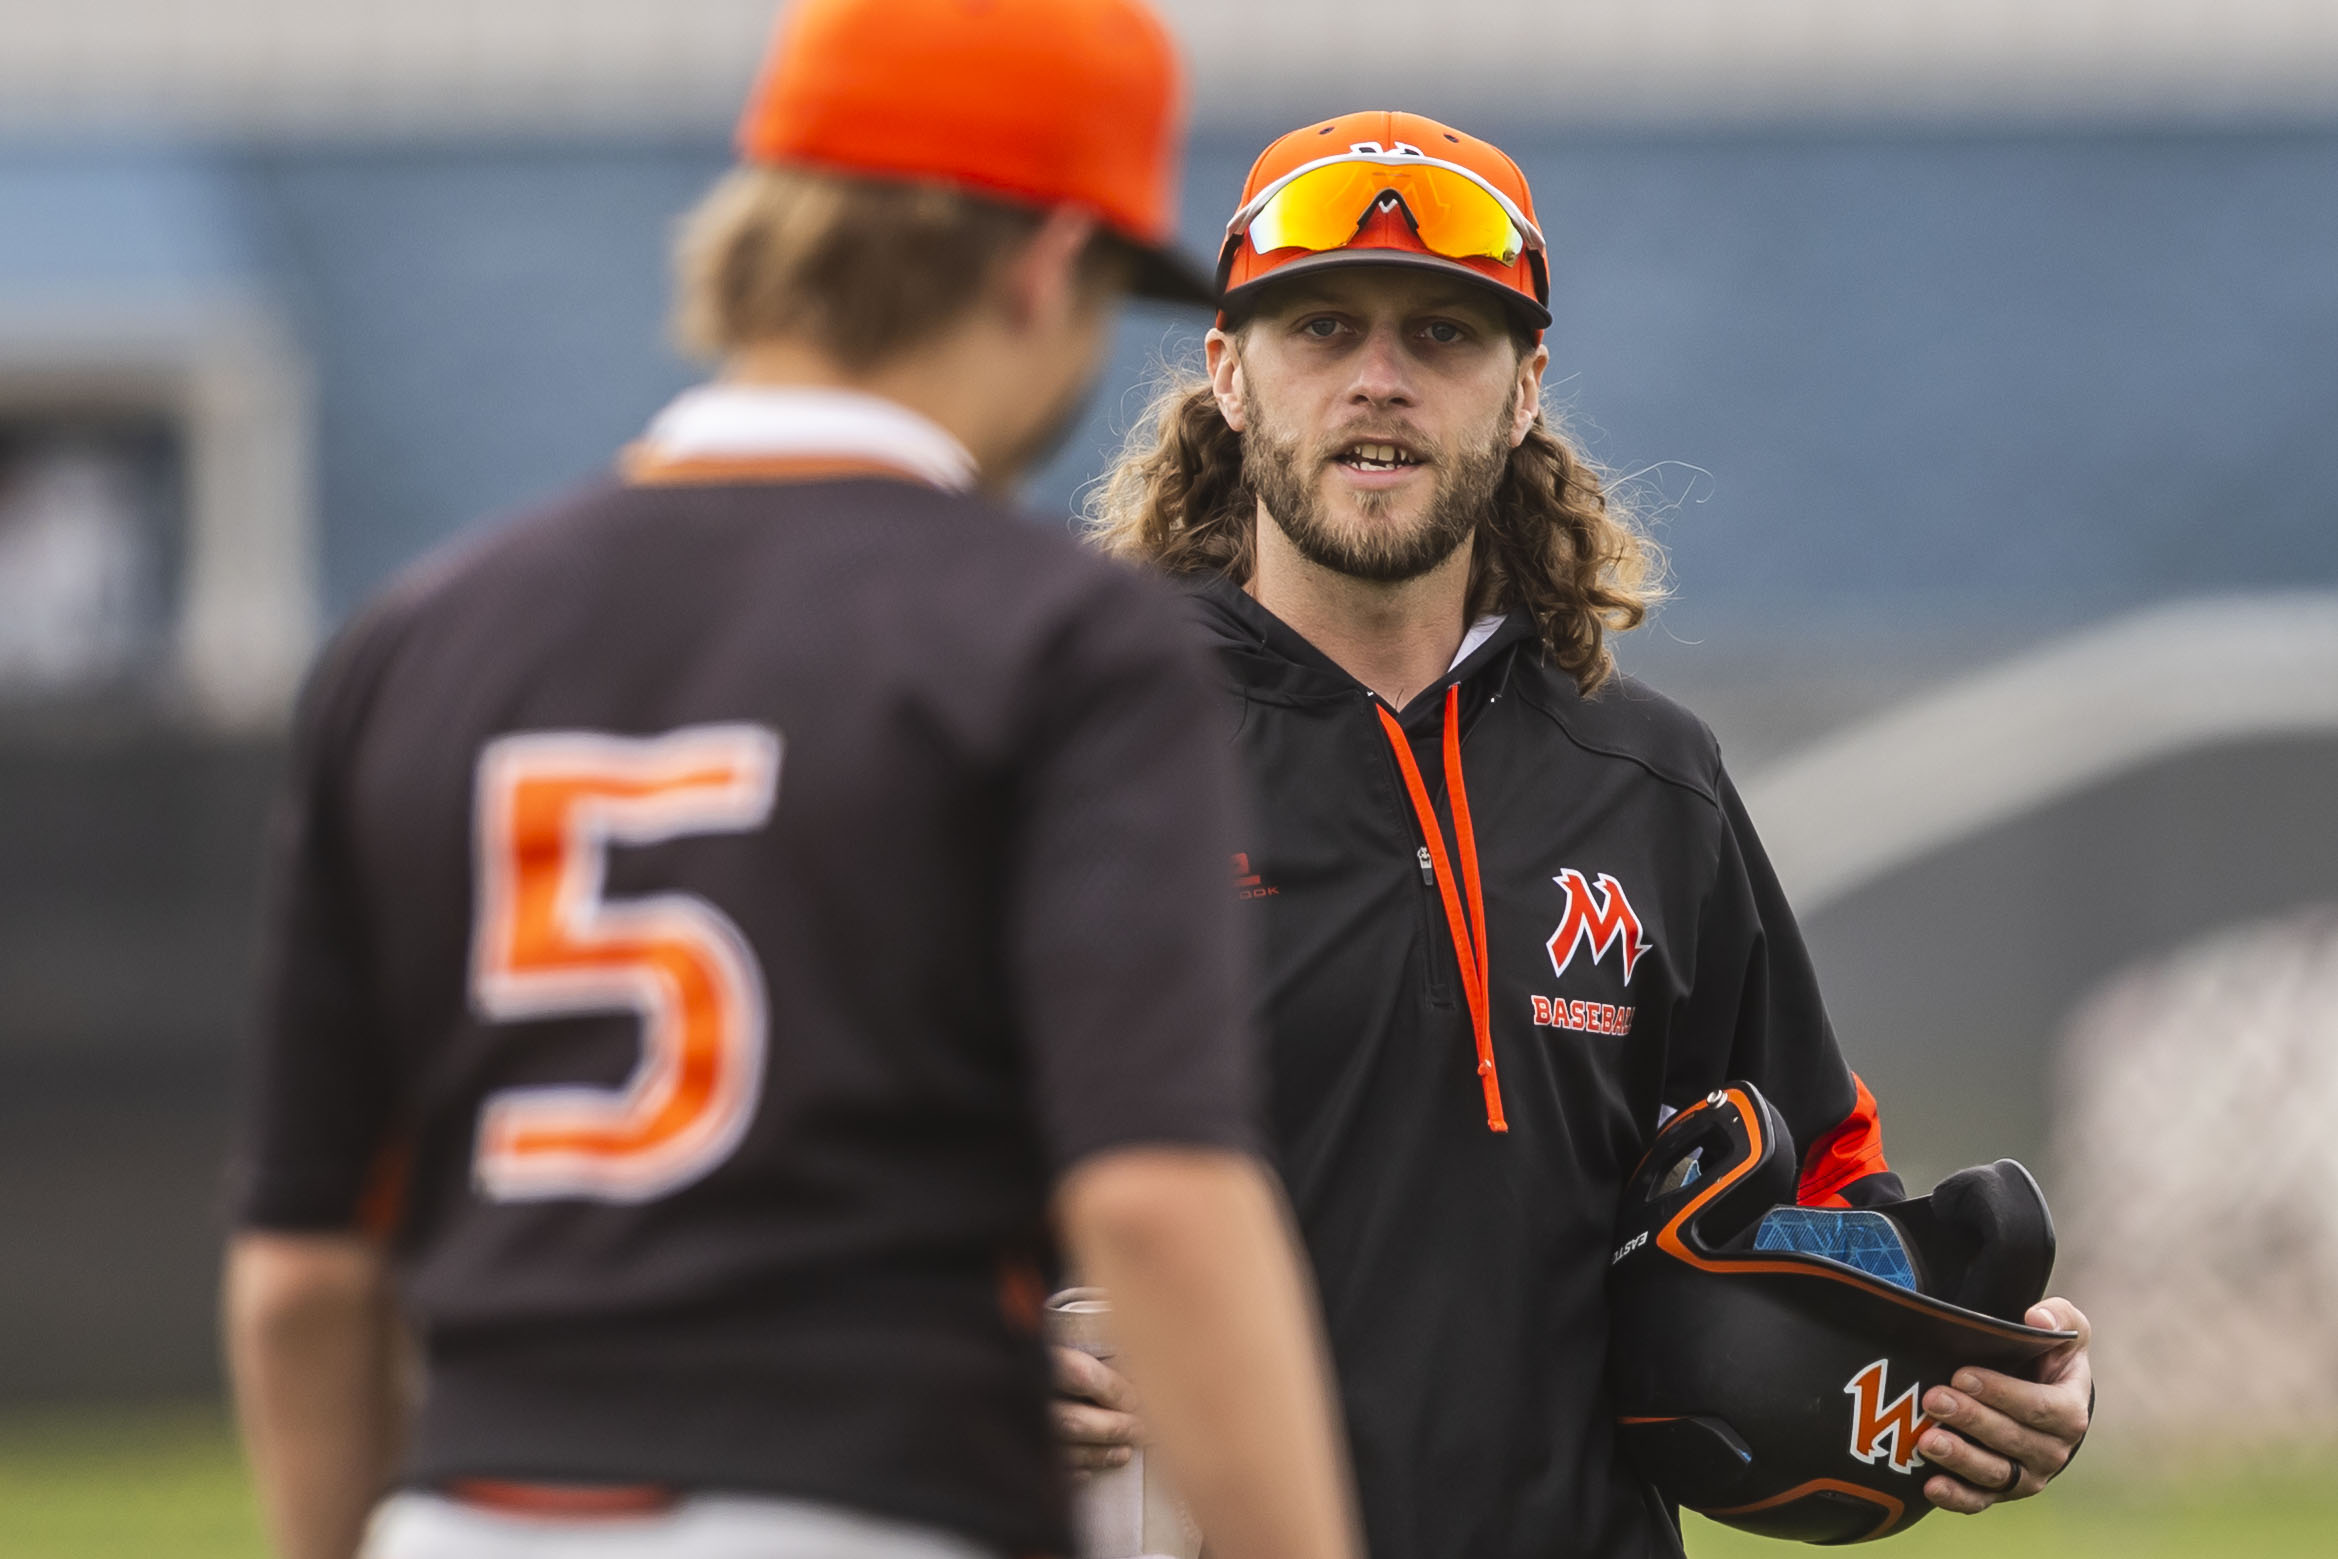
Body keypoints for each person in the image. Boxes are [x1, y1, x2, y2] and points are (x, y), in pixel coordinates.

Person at [220, 6, 1362, 1559]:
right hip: (866, 1503)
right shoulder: (1059, 638)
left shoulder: (417, 636)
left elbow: (301, 1277)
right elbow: (1157, 1204)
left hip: (472, 1509)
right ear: (1044, 267)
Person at [1064, 110, 2094, 1559]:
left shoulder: (1649, 781)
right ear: (1229, 373)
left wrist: (1996, 1369)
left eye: (1442, 334)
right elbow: (862, 1172)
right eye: (1322, 328)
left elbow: (1821, 1188)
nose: (1378, 380)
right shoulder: (1080, 753)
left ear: (1524, 388)